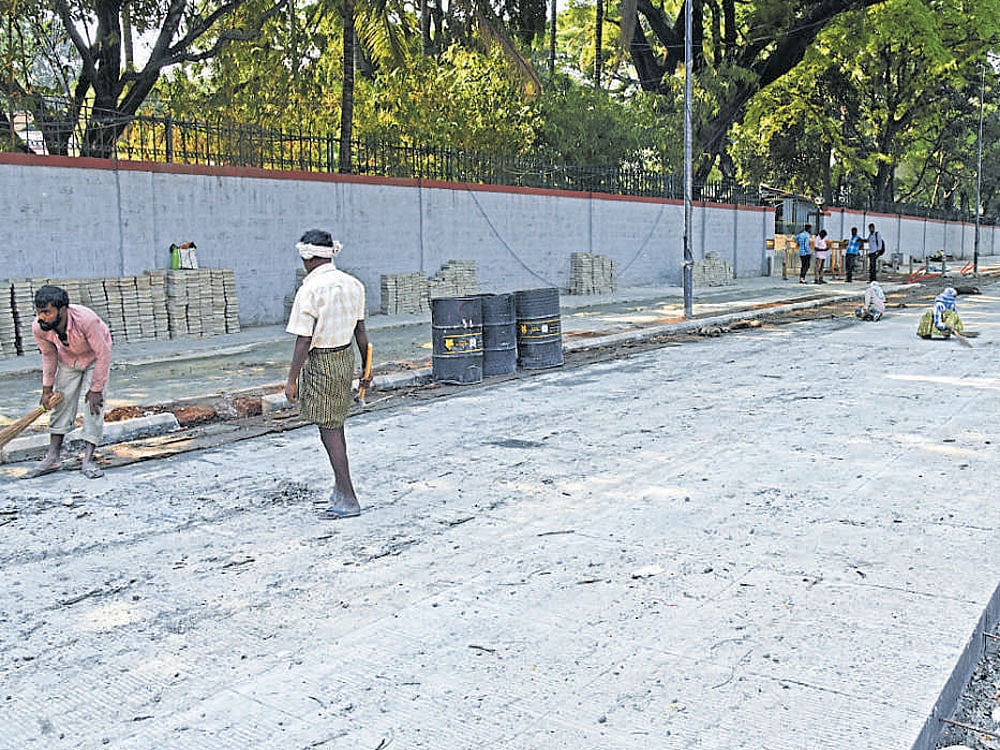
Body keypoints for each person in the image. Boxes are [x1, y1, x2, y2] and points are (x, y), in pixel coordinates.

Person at [284, 229, 371, 519]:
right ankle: (340, 488)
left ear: (307, 257)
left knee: (330, 430)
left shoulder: (310, 290)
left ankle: (348, 497)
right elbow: (361, 332)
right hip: (345, 358)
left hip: (323, 362)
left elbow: (304, 339)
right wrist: (367, 367)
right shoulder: (353, 284)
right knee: (335, 425)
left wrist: (292, 379)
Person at [26, 284, 112, 479]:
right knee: (61, 402)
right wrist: (47, 389)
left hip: (95, 359)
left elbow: (103, 354)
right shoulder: (39, 327)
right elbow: (49, 355)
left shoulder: (86, 320)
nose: (41, 317)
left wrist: (96, 389)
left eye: (47, 312)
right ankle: (52, 458)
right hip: (69, 359)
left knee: (93, 405)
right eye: (39, 312)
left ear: (62, 310)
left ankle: (88, 460)